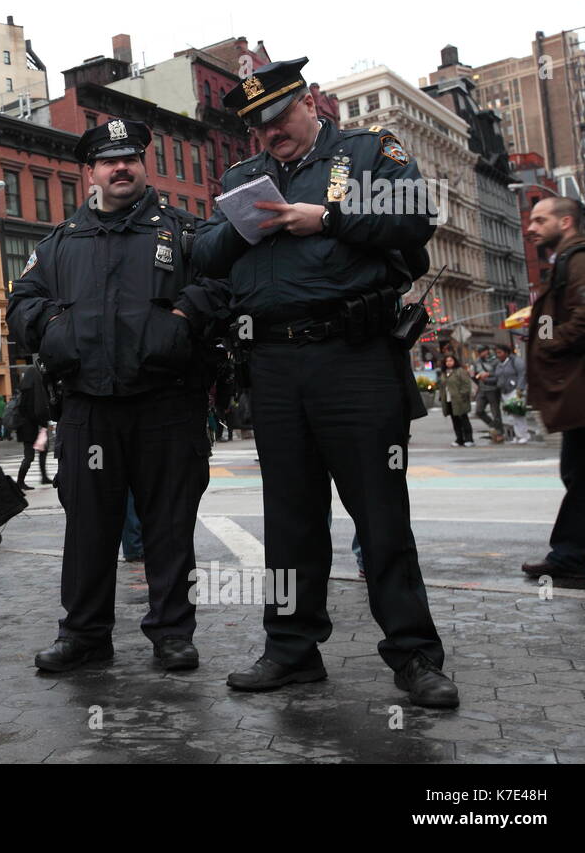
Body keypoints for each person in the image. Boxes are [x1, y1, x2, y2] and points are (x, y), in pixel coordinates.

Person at [193, 57, 458, 708]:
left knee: (380, 514)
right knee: (289, 520)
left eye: (279, 116)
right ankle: (291, 649)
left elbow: (416, 217)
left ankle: (414, 654)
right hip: (276, 365)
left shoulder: (367, 152)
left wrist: (329, 217)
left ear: (310, 101)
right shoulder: (243, 178)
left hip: (354, 355)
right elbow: (202, 260)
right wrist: (240, 226)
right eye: (257, 125)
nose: (270, 133)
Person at [8, 117, 231, 673]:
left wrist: (181, 319)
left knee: (169, 525)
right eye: (109, 160)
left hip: (167, 404)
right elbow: (22, 305)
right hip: (88, 408)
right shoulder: (60, 243)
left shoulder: (183, 231)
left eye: (129, 157)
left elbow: (224, 285)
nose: (120, 167)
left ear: (142, 163)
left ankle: (172, 633)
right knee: (88, 526)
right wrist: (59, 331)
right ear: (92, 171)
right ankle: (84, 635)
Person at [521, 196, 585, 582]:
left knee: (581, 476)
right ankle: (569, 556)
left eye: (540, 219)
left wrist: (550, 343)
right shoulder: (566, 260)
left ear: (566, 221)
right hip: (584, 389)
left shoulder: (579, 258)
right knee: (579, 475)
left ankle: (569, 557)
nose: (531, 227)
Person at [13, 364, 52, 490]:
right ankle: (20, 481)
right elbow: (35, 410)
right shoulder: (33, 392)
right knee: (31, 456)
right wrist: (43, 422)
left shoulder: (23, 391)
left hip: (28, 429)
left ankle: (42, 477)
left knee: (40, 451)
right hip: (33, 428)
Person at [494, 344, 530, 444]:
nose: (498, 355)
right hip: (504, 392)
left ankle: (524, 435)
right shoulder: (499, 364)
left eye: (500, 352)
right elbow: (497, 377)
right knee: (511, 415)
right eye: (497, 353)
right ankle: (517, 436)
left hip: (515, 390)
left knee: (518, 413)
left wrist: (520, 388)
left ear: (506, 352)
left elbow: (522, 374)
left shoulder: (516, 361)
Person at [437, 354, 475, 447]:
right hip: (449, 400)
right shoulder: (444, 373)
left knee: (463, 419)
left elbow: (466, 384)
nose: (448, 363)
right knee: (455, 420)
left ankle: (469, 439)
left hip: (459, 400)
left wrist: (462, 395)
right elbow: (442, 386)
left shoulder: (460, 371)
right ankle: (459, 439)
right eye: (447, 361)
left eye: (450, 361)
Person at [470, 345, 503, 443]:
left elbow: (499, 373)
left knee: (495, 412)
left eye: (483, 351)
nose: (482, 354)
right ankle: (494, 426)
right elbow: (474, 374)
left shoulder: (495, 361)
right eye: (480, 352)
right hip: (482, 389)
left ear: (487, 351)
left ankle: (499, 433)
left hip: (493, 388)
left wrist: (488, 375)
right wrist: (477, 378)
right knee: (479, 411)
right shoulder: (477, 361)